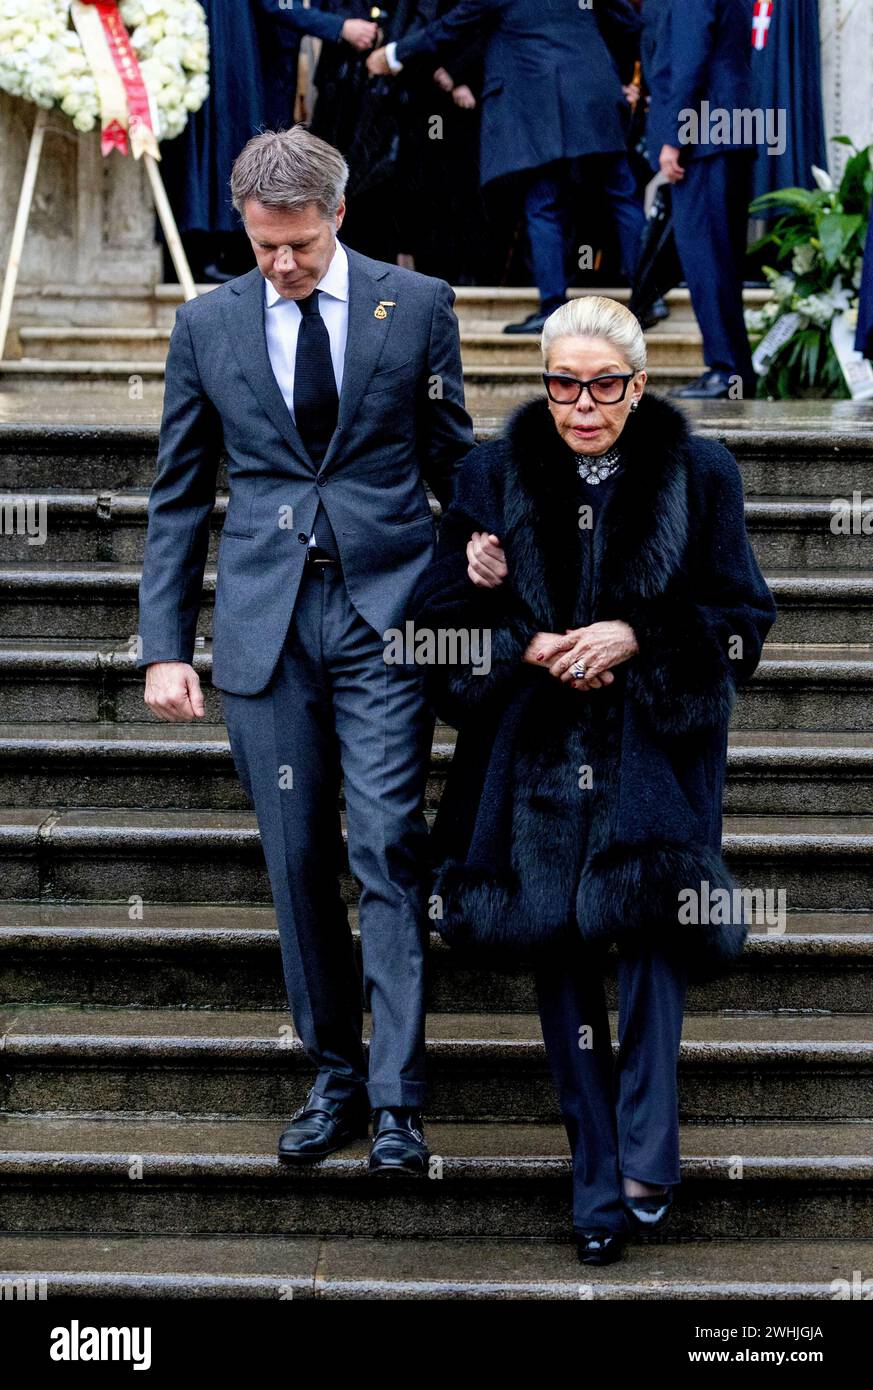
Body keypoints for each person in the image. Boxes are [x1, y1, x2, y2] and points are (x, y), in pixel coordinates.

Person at [410, 296, 776, 1263]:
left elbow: (744, 621)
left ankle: (646, 1157)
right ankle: (595, 1181)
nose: (581, 405)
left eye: (602, 386)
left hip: (651, 754)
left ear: (639, 384)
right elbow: (426, 634)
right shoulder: (489, 475)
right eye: (562, 384)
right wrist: (518, 641)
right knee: (559, 955)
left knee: (654, 934)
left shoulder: (702, 471)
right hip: (530, 760)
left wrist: (638, 635)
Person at [138, 128, 474, 1175]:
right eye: (264, 244)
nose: (281, 265)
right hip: (265, 628)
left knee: (385, 846)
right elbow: (179, 494)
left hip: (384, 620)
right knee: (295, 861)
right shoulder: (207, 325)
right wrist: (164, 644)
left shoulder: (416, 308)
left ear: (338, 216)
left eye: (300, 245)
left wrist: (497, 556)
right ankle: (333, 1070)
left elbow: (454, 456)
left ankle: (397, 1100)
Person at [368, 0, 646, 333]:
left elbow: (451, 27)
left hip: (543, 102)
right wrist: (613, 69)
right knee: (622, 196)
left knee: (544, 204)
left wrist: (392, 54)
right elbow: (629, 24)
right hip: (597, 93)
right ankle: (649, 296)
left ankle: (553, 308)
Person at [160, 1, 378, 282]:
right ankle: (216, 249)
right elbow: (277, 5)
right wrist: (340, 27)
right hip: (243, 64)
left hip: (262, 64)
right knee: (237, 154)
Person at [642, 0, 758, 399]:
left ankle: (726, 371)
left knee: (706, 258)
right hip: (726, 130)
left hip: (705, 135)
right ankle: (735, 371)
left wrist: (675, 137)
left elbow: (690, 57)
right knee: (720, 259)